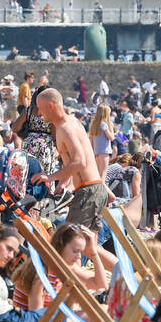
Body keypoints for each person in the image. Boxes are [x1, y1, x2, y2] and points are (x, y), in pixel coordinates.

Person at [31, 88, 108, 229]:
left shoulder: (65, 128)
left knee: (70, 241)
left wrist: (49, 177)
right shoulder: (71, 122)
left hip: (88, 192)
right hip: (94, 189)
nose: (40, 114)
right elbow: (74, 161)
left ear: (50, 106)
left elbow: (79, 162)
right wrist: (63, 181)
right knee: (91, 247)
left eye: (41, 109)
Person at [89, 104, 115, 182]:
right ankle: (101, 192)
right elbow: (111, 137)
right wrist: (111, 127)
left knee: (97, 174)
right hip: (104, 152)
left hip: (96, 152)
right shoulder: (104, 125)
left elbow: (91, 141)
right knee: (103, 174)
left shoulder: (94, 125)